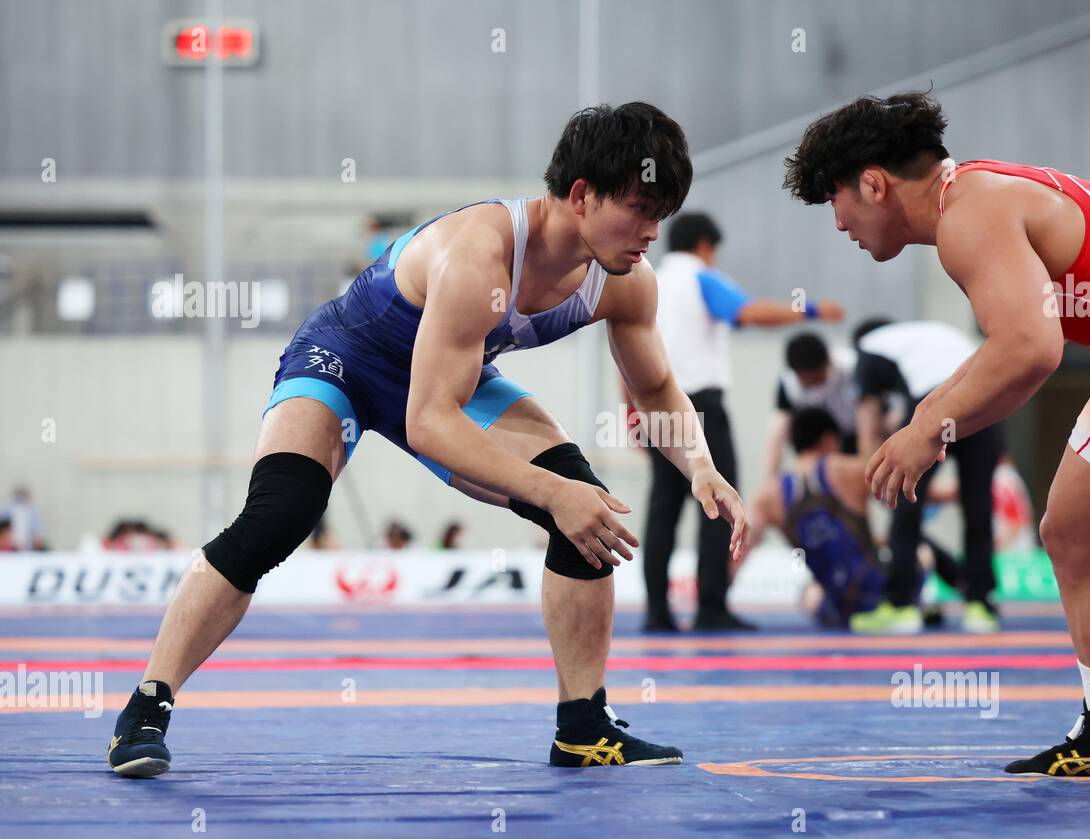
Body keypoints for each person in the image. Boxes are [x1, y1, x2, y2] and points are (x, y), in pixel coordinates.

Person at [107, 102, 750, 778]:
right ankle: (147, 706)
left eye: (662, 214)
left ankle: (584, 728)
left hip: (449, 379)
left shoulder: (624, 281)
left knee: (586, 505)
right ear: (582, 195)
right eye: (640, 210)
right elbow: (429, 423)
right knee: (279, 514)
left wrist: (698, 466)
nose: (652, 232)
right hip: (347, 361)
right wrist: (551, 492)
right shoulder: (481, 253)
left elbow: (653, 391)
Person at [784, 91, 1090, 803]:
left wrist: (928, 428)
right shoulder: (972, 200)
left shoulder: (969, 212)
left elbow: (1029, 349)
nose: (839, 224)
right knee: (1070, 530)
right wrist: (932, 419)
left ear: (874, 182)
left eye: (836, 201)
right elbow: (1017, 350)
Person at [640, 211, 842, 633]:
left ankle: (657, 611)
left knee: (663, 508)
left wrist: (633, 413)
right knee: (718, 503)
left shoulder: (649, 281)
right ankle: (711, 606)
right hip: (701, 406)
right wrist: (813, 309)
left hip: (656, 405)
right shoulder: (700, 277)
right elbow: (747, 313)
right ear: (704, 246)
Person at [847, 316, 1001, 633]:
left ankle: (901, 606)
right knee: (978, 506)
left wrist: (873, 474)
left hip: (938, 402)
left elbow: (868, 423)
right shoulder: (923, 334)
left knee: (905, 499)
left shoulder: (866, 347)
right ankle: (980, 605)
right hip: (988, 401)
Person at [746, 408, 885, 628]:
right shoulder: (847, 469)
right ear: (829, 440)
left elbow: (741, 546)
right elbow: (910, 490)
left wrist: (710, 598)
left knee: (808, 594)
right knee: (920, 553)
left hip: (833, 605)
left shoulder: (769, 496)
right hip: (877, 596)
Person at [762, 331, 860, 484]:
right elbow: (777, 436)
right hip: (818, 442)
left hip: (857, 434)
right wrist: (770, 483)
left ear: (828, 362)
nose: (815, 387)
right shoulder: (788, 383)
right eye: (808, 382)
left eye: (818, 379)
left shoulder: (852, 367)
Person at [0, 486, 48, 551]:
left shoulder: (33, 513)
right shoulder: (6, 511)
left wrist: (37, 539)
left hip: (29, 547)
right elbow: (3, 530)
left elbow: (38, 533)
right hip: (10, 547)